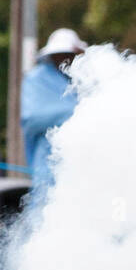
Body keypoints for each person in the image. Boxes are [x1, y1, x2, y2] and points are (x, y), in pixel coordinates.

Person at [20, 28, 86, 187]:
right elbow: (31, 118)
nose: (64, 59)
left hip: (83, 160)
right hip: (48, 158)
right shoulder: (36, 79)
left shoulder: (85, 78)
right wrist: (77, 113)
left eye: (69, 54)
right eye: (60, 54)